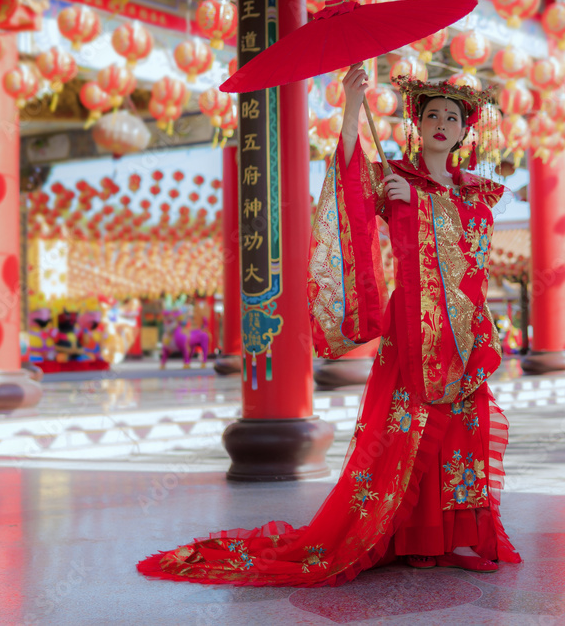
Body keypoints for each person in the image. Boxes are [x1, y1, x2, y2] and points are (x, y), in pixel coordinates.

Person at [137, 66, 521, 587]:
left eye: (451, 118)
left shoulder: (475, 192)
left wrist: (423, 204)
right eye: (431, 114)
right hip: (411, 324)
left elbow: (474, 246)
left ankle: (451, 537)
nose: (441, 123)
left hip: (462, 328)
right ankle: (409, 537)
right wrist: (351, 107)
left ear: (464, 132)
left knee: (461, 427)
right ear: (416, 123)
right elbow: (349, 192)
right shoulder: (394, 178)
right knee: (405, 429)